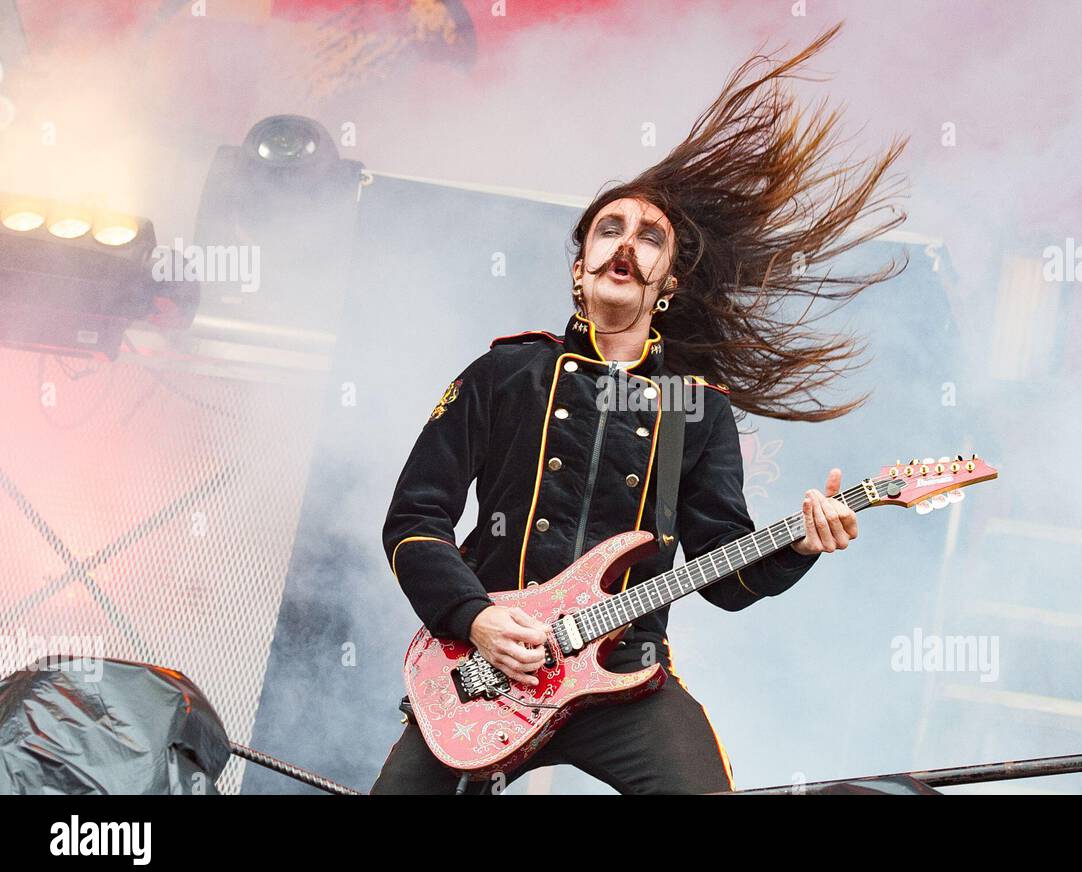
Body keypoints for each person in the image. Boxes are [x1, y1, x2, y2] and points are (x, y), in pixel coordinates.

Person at [371, 23, 908, 795]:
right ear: (581, 270)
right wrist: (474, 616)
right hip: (482, 669)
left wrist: (801, 545)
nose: (627, 243)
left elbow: (724, 571)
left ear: (668, 282)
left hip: (621, 678)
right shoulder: (506, 373)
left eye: (649, 237)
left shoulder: (698, 410)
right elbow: (414, 520)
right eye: (609, 229)